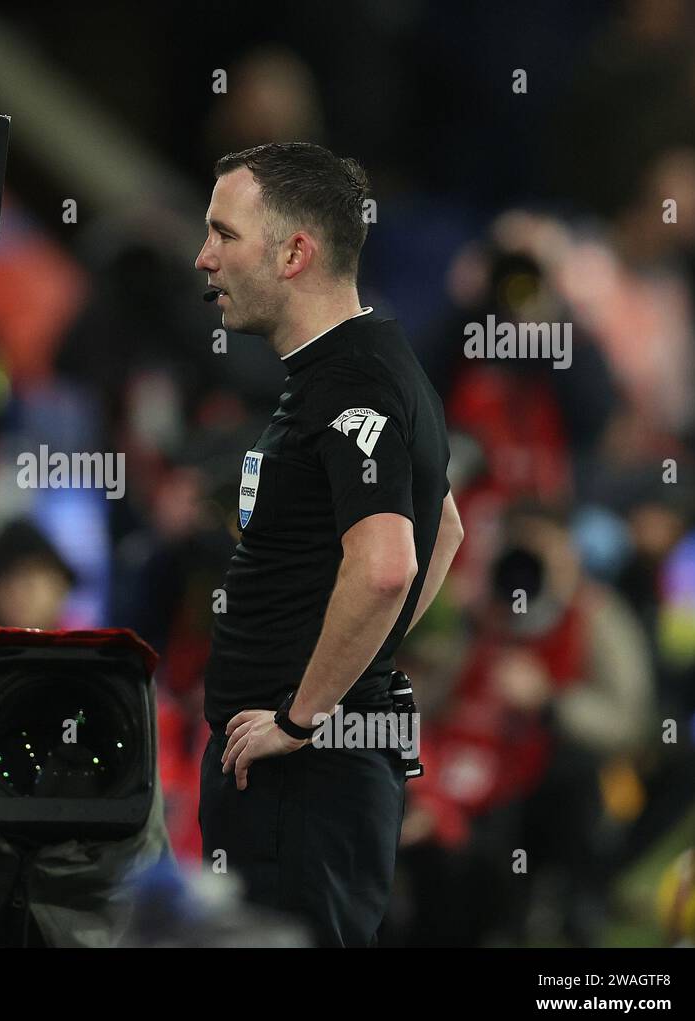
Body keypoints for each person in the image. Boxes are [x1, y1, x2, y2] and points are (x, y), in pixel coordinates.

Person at [193, 142, 461, 947]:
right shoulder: (367, 361)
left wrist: (303, 714)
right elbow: (444, 527)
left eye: (223, 234)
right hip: (306, 775)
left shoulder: (352, 382)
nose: (203, 258)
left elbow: (388, 567)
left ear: (294, 251)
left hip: (302, 780)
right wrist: (348, 666)